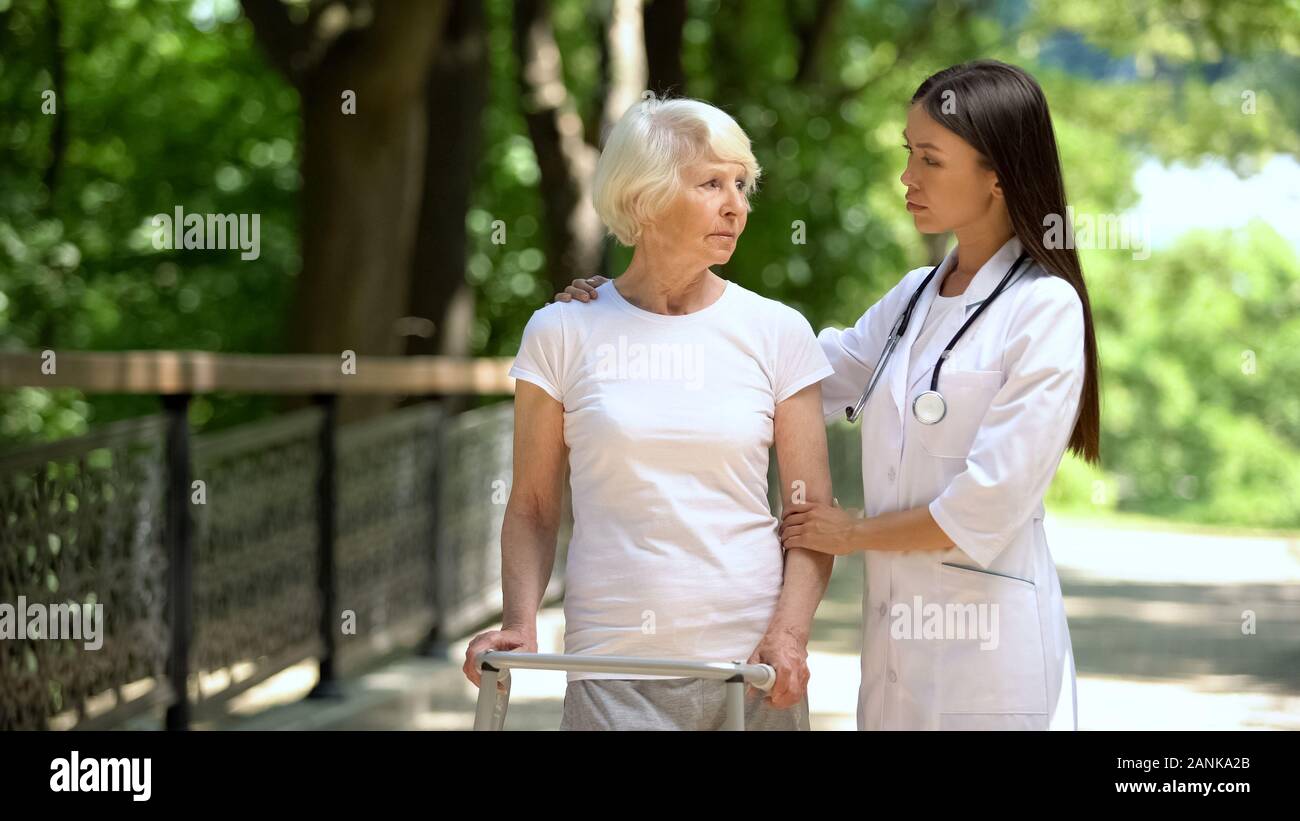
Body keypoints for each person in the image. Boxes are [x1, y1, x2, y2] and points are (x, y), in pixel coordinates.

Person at [557, 60, 1101, 730]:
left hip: (993, 655)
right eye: (909, 154)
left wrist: (852, 532)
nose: (907, 176)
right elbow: (783, 370)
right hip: (897, 650)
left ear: (997, 174)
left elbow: (990, 501)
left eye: (930, 159)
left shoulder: (1044, 308)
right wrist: (621, 311)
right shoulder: (913, 299)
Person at [463, 95, 837, 730]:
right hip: (611, 668)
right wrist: (519, 624)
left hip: (752, 670)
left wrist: (789, 638)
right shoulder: (562, 331)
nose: (736, 204)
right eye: (711, 183)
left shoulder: (777, 331)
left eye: (741, 184)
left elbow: (811, 516)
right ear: (643, 198)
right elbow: (531, 505)